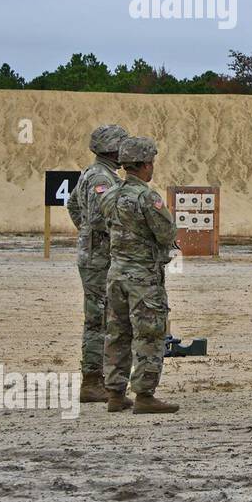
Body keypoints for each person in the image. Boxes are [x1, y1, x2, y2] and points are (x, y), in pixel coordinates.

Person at [99, 136, 179, 414]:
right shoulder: (147, 197)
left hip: (115, 274)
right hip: (143, 278)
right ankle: (144, 395)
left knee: (117, 333)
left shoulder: (110, 194)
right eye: (151, 163)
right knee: (149, 335)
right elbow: (167, 233)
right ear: (144, 165)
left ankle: (115, 393)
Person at [66, 123, 128, 404]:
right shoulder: (101, 178)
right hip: (99, 258)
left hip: (95, 254)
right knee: (98, 319)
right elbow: (98, 218)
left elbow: (73, 206)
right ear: (112, 148)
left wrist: (84, 234)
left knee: (103, 316)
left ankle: (99, 377)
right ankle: (92, 381)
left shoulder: (94, 173)